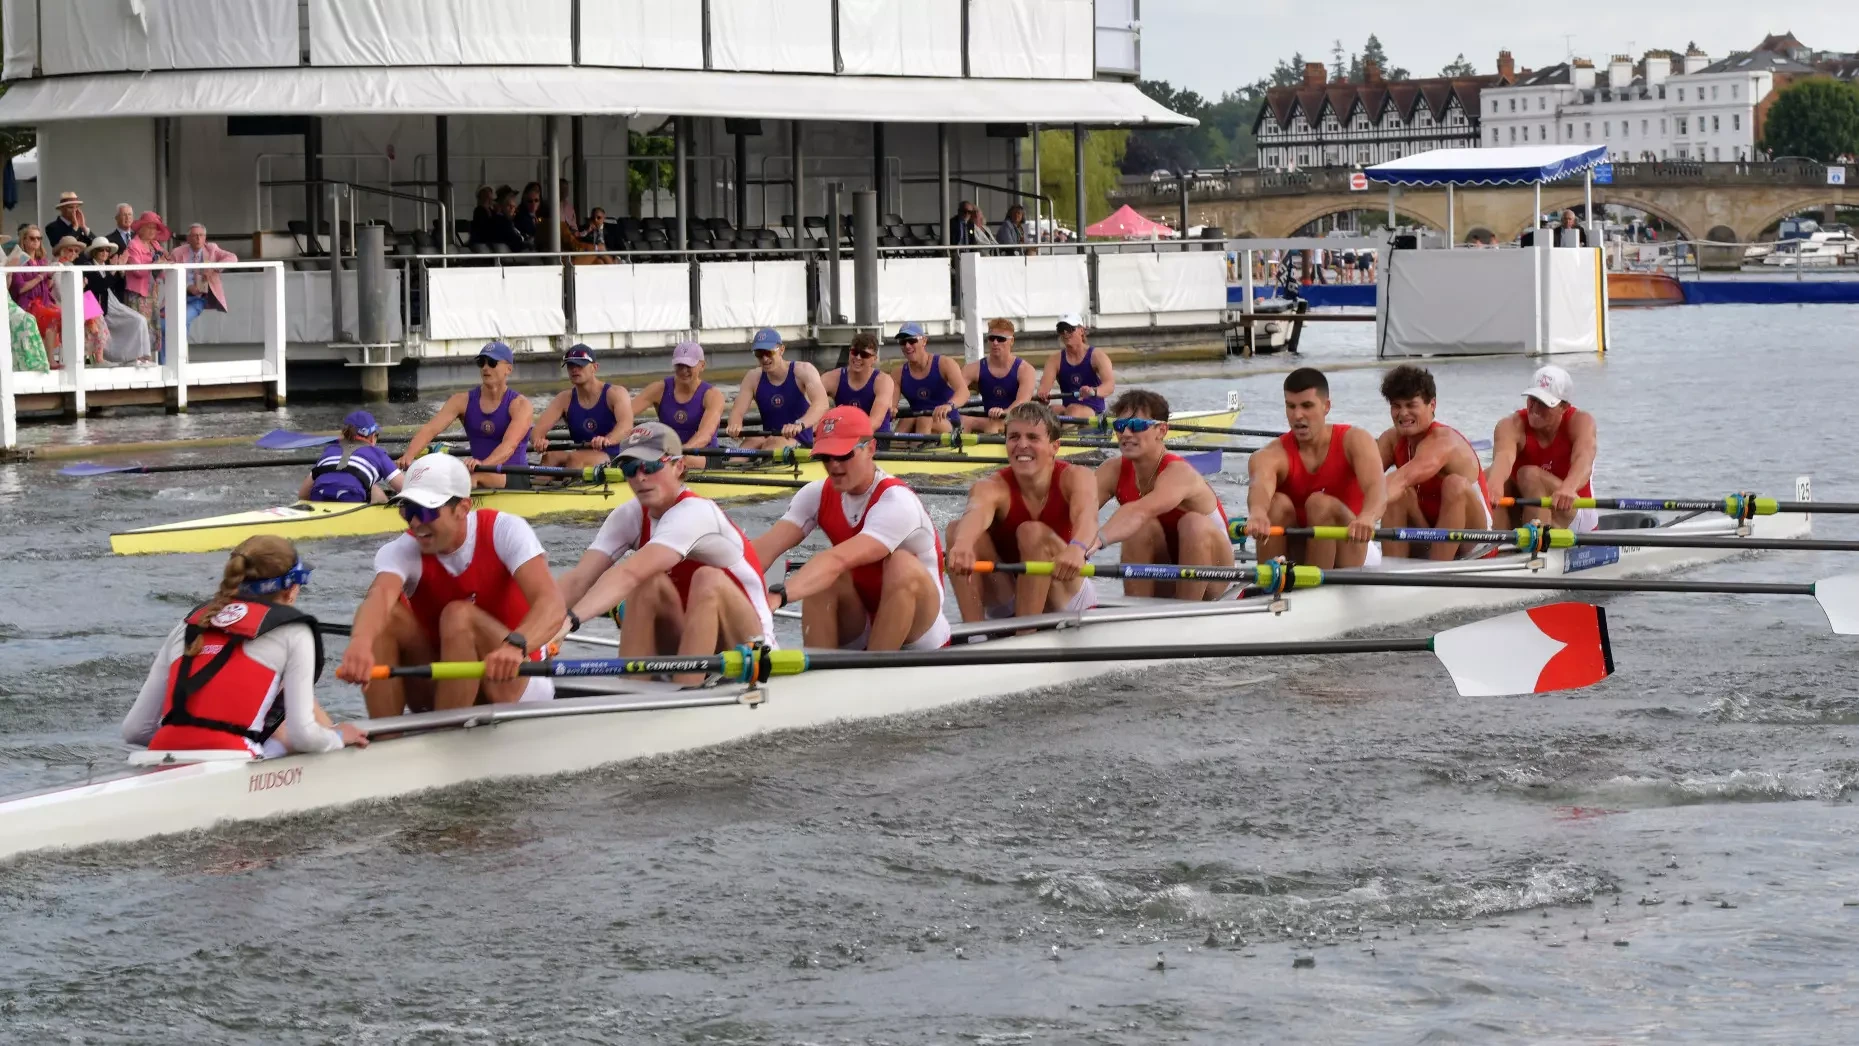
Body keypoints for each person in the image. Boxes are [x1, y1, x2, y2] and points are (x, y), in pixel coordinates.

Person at [336, 454, 565, 715]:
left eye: (425, 511)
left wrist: (516, 645)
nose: (415, 523)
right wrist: (360, 643)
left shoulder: (505, 530)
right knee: (386, 617)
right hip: (450, 680)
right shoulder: (402, 549)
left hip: (515, 679)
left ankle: (444, 734)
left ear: (463, 508)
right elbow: (379, 597)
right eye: (407, 510)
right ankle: (385, 740)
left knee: (458, 615)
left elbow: (552, 605)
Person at [553, 423, 775, 684]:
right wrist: (530, 630)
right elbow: (580, 579)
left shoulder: (695, 512)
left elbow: (629, 573)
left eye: (651, 466)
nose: (640, 478)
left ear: (678, 467)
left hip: (750, 647)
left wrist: (569, 622)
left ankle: (683, 697)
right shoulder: (629, 514)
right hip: (689, 639)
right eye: (630, 469)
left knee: (706, 579)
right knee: (650, 584)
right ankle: (630, 694)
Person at [122, 536, 365, 757]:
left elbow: (135, 730)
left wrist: (188, 749)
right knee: (303, 740)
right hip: (235, 760)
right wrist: (340, 736)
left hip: (160, 754)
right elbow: (304, 735)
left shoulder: (188, 625)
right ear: (291, 591)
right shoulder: (295, 631)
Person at [751, 407, 950, 651]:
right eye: (825, 457)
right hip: (861, 619)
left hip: (919, 630)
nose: (834, 466)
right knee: (819, 580)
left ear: (870, 449)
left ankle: (874, 673)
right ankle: (817, 676)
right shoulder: (815, 494)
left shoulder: (896, 501)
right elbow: (764, 549)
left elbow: (836, 560)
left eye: (844, 455)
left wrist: (778, 596)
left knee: (900, 564)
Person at [945, 401, 1101, 622]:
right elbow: (976, 512)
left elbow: (1087, 517)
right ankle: (975, 636)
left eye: (1033, 438)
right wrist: (962, 544)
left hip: (1065, 593)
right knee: (955, 530)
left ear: (1055, 446)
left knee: (1032, 533)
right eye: (1014, 437)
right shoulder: (990, 486)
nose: (1022, 445)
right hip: (1009, 594)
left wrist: (1077, 547)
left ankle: (1024, 635)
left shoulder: (1077, 477)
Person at [1087, 390, 1234, 600]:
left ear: (1162, 430)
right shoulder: (1112, 470)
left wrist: (1095, 543)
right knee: (1142, 528)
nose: (1126, 433)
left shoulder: (1178, 473)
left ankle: (1187, 613)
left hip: (1214, 573)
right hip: (1165, 568)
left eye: (1137, 425)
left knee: (1192, 523)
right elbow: (1076, 512)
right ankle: (1134, 611)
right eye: (1120, 426)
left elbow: (1138, 511)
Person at [1244, 368, 1387, 569]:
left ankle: (1314, 588)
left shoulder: (1355, 440)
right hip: (1304, 547)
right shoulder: (1270, 454)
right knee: (1275, 504)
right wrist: (1257, 513)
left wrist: (1367, 517)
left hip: (1353, 547)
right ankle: (1269, 584)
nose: (1297, 415)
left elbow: (1377, 489)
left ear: (1326, 406)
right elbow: (1259, 485)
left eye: (1307, 406)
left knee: (1319, 504)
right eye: (1290, 406)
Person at [1376, 364, 1491, 560]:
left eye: (1411, 405)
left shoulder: (1443, 441)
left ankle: (1438, 572)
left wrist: (1366, 515)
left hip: (1473, 540)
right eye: (1396, 405)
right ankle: (1391, 572)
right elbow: (1361, 479)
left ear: (1432, 405)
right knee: (1398, 496)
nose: (1403, 413)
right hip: (1428, 532)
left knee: (1454, 485)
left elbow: (1402, 478)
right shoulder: (1391, 439)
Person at [397, 340, 533, 489]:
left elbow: (509, 446)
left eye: (492, 363)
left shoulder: (520, 405)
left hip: (513, 474)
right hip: (477, 472)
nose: (485, 368)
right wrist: (409, 455)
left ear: (508, 369)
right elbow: (430, 429)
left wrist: (483, 465)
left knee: (473, 477)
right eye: (481, 362)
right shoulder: (461, 401)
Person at [1486, 365, 1599, 531]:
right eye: (1533, 400)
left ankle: (1536, 546)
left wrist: (1568, 487)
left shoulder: (1581, 422)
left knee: (1529, 475)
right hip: (1534, 507)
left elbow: (1584, 459)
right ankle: (1495, 546)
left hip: (1573, 510)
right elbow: (1504, 457)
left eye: (1545, 403)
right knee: (1487, 476)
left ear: (1564, 407)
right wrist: (1493, 486)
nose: (1535, 409)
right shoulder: (1511, 425)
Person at [530, 344, 634, 472]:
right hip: (584, 455)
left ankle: (565, 488)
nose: (574, 369)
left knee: (576, 458)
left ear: (594, 367)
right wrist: (539, 441)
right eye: (570, 365)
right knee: (551, 455)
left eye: (580, 365)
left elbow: (626, 426)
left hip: (616, 456)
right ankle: (539, 489)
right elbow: (537, 431)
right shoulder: (564, 398)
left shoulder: (615, 393)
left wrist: (608, 439)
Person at [726, 327, 829, 450]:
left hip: (800, 441)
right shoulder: (753, 377)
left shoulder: (804, 371)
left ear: (781, 350)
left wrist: (800, 424)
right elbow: (737, 411)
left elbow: (822, 404)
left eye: (769, 352)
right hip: (769, 440)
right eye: (759, 354)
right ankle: (734, 466)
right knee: (749, 443)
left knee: (774, 442)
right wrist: (735, 424)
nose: (764, 359)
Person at [633, 340, 726, 467]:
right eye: (680, 365)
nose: (683, 370)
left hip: (704, 454)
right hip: (669, 454)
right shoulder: (659, 389)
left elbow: (704, 436)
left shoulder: (712, 395)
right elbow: (625, 415)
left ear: (702, 366)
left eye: (689, 366)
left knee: (680, 461)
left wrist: (679, 452)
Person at [299, 410, 405, 504]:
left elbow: (302, 495)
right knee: (375, 491)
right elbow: (406, 489)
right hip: (352, 496)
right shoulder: (378, 453)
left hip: (319, 494)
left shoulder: (329, 450)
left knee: (371, 487)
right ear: (373, 437)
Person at [891, 321, 968, 435]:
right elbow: (891, 405)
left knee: (924, 419)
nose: (907, 346)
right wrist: (891, 409)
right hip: (916, 421)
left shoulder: (944, 364)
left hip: (948, 422)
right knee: (907, 419)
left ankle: (914, 449)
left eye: (912, 341)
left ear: (924, 341)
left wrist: (949, 405)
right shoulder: (898, 374)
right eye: (903, 342)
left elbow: (964, 392)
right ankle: (895, 448)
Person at [962, 318, 1036, 434]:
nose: (995, 343)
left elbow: (1022, 401)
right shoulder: (973, 368)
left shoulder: (1025, 370)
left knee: (993, 424)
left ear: (1011, 341)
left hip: (1017, 421)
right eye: (992, 338)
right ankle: (959, 450)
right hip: (990, 419)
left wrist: (1004, 412)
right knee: (964, 420)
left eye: (1001, 339)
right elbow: (955, 392)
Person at [1036, 312, 1114, 420]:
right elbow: (1044, 386)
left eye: (1070, 328)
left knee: (1073, 410)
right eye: (1061, 329)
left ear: (1081, 330)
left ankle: (1064, 432)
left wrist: (1092, 391)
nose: (1065, 332)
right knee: (1051, 410)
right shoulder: (1054, 360)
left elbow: (1109, 386)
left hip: (1094, 413)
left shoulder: (1097, 356)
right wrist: (1042, 395)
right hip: (1069, 410)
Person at [118, 211, 171, 366]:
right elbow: (137, 271)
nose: (152, 231)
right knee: (140, 325)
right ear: (140, 229)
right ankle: (137, 359)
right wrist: (156, 264)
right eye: (149, 227)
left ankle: (147, 359)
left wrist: (165, 264)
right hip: (137, 293)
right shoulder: (133, 245)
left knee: (152, 325)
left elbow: (164, 264)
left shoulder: (155, 245)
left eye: (155, 228)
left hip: (152, 291)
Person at [821, 330, 896, 432]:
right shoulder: (832, 378)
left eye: (864, 355)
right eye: (854, 352)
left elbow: (874, 422)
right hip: (843, 438)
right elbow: (808, 402)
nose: (858, 357)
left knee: (859, 448)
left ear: (874, 359)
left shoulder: (883, 381)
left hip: (875, 437)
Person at [169, 223, 237, 331]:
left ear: (205, 238)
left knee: (181, 320)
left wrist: (213, 269)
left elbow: (232, 258)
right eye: (194, 235)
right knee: (166, 325)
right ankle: (174, 348)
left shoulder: (212, 249)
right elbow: (166, 275)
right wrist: (186, 286)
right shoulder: (177, 252)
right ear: (188, 238)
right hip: (180, 294)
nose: (198, 238)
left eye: (201, 235)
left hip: (200, 297)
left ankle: (179, 347)